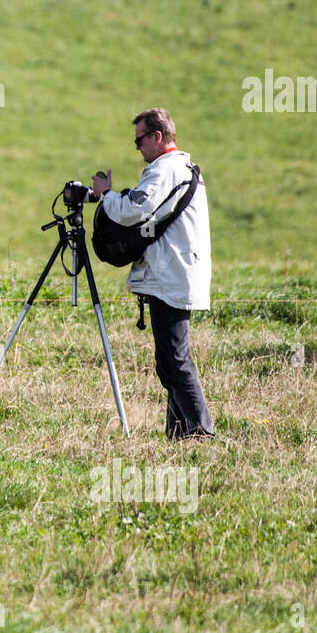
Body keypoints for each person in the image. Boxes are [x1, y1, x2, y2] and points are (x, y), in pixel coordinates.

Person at [90, 108, 215, 441]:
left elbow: (135, 211)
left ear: (157, 136)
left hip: (171, 275)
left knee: (174, 360)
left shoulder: (165, 169)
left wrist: (107, 195)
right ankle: (179, 433)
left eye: (139, 141)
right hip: (175, 273)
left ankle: (201, 431)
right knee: (169, 361)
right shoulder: (181, 168)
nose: (138, 149)